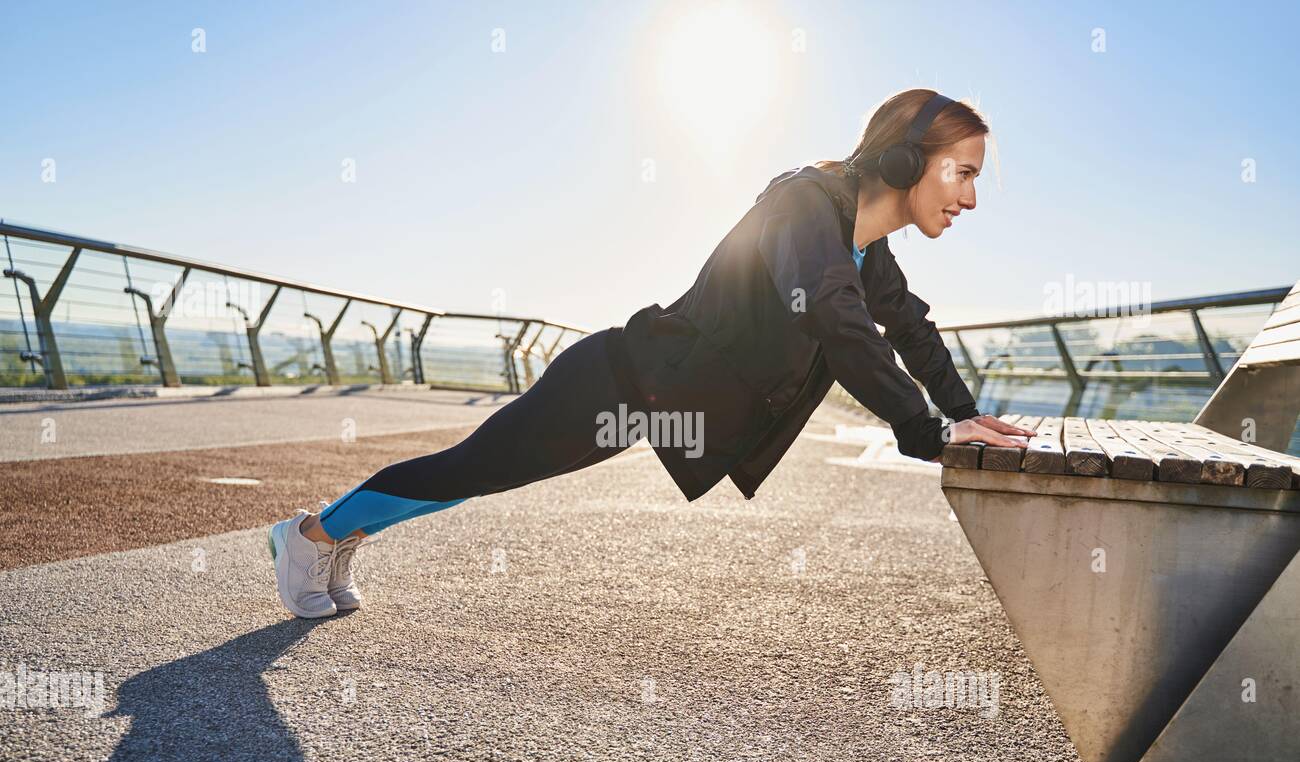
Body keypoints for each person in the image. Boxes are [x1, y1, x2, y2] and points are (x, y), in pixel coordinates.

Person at [268, 88, 1034, 619]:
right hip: (619, 385)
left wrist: (969, 417)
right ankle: (312, 537)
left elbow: (909, 329)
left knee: (479, 471)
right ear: (905, 160)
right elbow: (840, 322)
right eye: (962, 172)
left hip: (657, 406)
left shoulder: (866, 251)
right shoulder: (805, 205)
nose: (969, 197)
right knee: (476, 470)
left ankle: (331, 535)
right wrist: (927, 432)